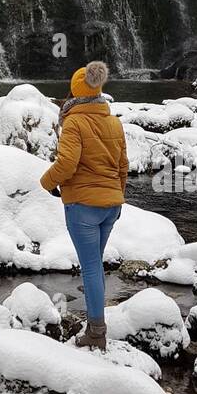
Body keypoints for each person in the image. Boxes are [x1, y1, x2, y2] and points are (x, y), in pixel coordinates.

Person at [39, 60, 128, 351]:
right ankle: (94, 322)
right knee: (95, 268)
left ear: (75, 93)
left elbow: (67, 163)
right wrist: (118, 195)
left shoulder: (74, 121)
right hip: (111, 206)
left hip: (84, 207)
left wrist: (47, 182)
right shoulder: (114, 121)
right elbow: (123, 166)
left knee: (90, 269)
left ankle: (96, 333)